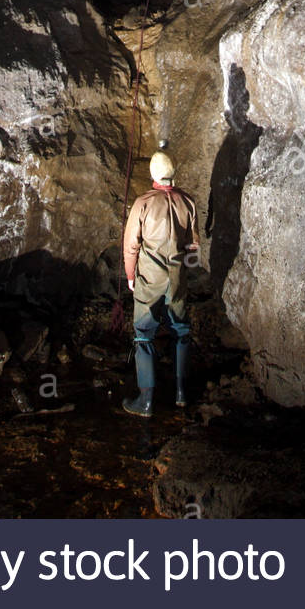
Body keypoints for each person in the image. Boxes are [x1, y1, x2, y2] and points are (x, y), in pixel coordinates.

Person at [121, 148, 200, 417]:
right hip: (177, 277)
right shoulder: (187, 202)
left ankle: (145, 402)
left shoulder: (143, 204)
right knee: (181, 330)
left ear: (153, 174)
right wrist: (185, 275)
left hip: (149, 279)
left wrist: (131, 276)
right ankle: (180, 393)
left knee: (144, 333)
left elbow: (131, 246)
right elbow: (193, 246)